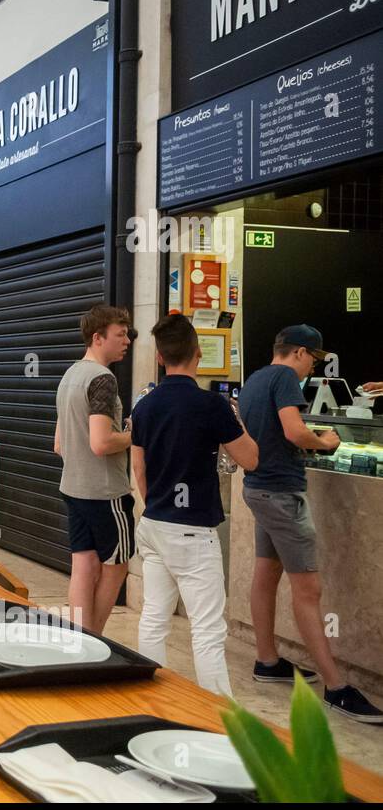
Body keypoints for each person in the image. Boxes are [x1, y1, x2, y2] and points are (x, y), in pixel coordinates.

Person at [239, 324, 381, 722]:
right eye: (313, 362)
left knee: (265, 575)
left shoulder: (254, 379)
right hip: (282, 495)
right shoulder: (285, 378)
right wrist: (326, 441)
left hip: (259, 488)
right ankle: (337, 688)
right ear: (300, 353)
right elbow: (294, 431)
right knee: (309, 589)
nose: (311, 371)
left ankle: (267, 661)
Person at [130, 314, 259, 696]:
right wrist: (237, 420)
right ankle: (220, 720)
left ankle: (148, 702)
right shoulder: (212, 405)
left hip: (154, 522)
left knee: (154, 618)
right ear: (198, 354)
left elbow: (139, 467)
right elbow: (249, 459)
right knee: (207, 630)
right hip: (193, 531)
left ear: (158, 357)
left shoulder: (144, 406)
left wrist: (155, 501)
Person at [54, 305, 134, 632]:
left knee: (83, 566)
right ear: (98, 338)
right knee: (117, 567)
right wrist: (134, 434)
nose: (127, 341)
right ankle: (96, 640)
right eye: (120, 334)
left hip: (72, 487)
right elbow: (101, 443)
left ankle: (79, 641)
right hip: (105, 493)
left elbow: (59, 444)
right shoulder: (103, 379)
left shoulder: (70, 374)